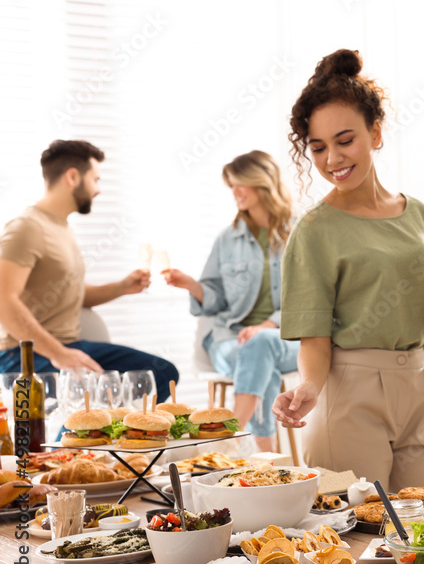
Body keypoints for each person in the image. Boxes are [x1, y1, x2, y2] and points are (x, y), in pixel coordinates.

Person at [271, 49, 424, 495]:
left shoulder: (417, 213)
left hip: (418, 385)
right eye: (317, 147)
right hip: (349, 396)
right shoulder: (314, 231)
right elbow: (314, 340)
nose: (332, 158)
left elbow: (423, 306)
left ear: (375, 132)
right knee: (357, 544)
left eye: (345, 140)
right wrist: (309, 388)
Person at [0, 140, 177, 401]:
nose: (98, 189)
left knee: (162, 374)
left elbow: (69, 294)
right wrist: (60, 354)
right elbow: (5, 300)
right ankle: (73, 442)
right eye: (95, 179)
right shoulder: (27, 227)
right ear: (72, 176)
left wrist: (121, 287)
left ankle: (119, 437)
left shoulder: (61, 228)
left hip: (70, 346)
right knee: (87, 396)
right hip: (24, 357)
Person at [164, 150, 300, 452]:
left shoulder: (301, 232)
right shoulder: (228, 238)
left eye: (242, 184)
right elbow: (215, 301)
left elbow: (313, 295)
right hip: (230, 339)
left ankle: (229, 442)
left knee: (262, 345)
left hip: (288, 338)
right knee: (260, 357)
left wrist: (267, 325)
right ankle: (267, 458)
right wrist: (192, 286)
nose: (235, 192)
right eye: (232, 185)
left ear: (263, 182)